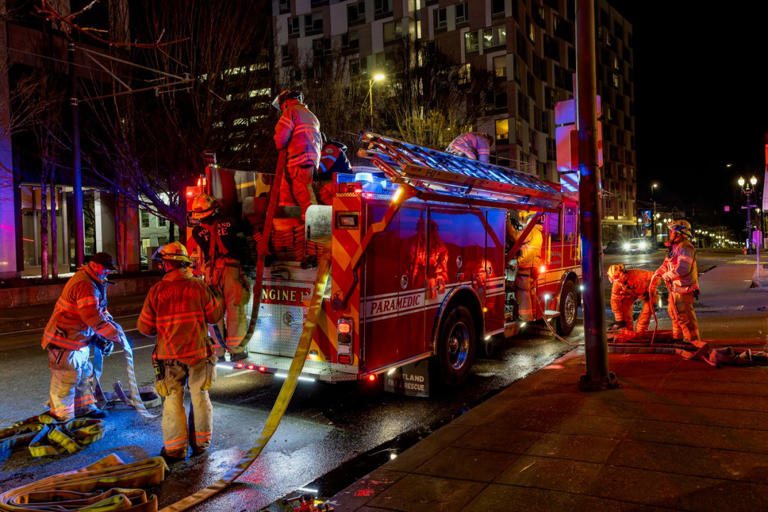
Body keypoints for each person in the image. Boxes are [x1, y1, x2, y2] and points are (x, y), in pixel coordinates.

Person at [137, 242, 223, 461]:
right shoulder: (199, 287)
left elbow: (144, 328)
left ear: (167, 264)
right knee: (200, 396)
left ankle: (176, 449)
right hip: (199, 356)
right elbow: (214, 317)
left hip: (170, 358)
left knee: (173, 399)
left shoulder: (157, 291)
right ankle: (201, 444)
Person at [41, 252, 126, 420]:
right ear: (95, 266)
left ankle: (85, 408)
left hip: (76, 340)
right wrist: (114, 335)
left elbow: (99, 312)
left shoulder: (92, 281)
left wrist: (101, 336)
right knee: (66, 381)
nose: (108, 272)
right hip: (65, 343)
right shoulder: (85, 285)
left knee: (83, 375)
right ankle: (63, 420)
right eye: (106, 269)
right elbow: (92, 317)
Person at [189, 193, 252, 359]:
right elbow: (244, 244)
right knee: (235, 309)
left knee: (214, 312)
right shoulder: (231, 223)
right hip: (230, 271)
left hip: (210, 274)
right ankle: (237, 350)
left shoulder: (197, 232)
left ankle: (218, 351)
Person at [272, 89, 322, 219]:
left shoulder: (291, 111)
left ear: (285, 102)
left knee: (304, 196)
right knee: (304, 192)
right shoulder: (311, 115)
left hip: (299, 159)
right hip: (311, 161)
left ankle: (314, 228)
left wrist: (279, 144)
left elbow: (281, 138)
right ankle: (305, 225)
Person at [651, 219, 700, 342]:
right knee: (674, 314)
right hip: (675, 290)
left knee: (685, 317)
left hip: (684, 289)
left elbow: (683, 268)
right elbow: (666, 264)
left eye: (672, 232)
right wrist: (657, 274)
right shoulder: (675, 248)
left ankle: (692, 342)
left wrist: (667, 276)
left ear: (679, 233)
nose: (670, 234)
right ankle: (677, 338)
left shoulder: (686, 247)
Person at [607, 264, 658, 332]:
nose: (618, 282)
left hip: (647, 294)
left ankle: (641, 330)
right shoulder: (617, 284)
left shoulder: (637, 274)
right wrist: (619, 320)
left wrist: (651, 289)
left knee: (649, 308)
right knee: (624, 310)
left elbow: (655, 276)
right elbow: (615, 301)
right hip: (629, 296)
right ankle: (627, 331)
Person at [514, 212, 543, 321]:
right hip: (534, 266)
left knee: (523, 291)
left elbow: (516, 237)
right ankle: (534, 315)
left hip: (526, 265)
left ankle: (525, 318)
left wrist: (507, 223)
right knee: (530, 290)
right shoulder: (539, 232)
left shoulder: (531, 230)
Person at [316, 133, 353, 205]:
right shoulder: (324, 150)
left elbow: (323, 166)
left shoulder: (330, 149)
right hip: (334, 183)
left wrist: (308, 172)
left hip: (337, 183)